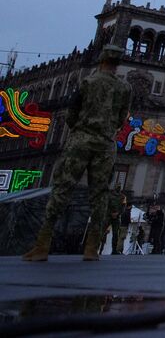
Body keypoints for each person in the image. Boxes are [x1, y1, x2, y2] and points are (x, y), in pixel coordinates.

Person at [23, 44, 132, 262]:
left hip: (81, 139)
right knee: (100, 193)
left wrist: (80, 128)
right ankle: (91, 248)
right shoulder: (125, 88)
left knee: (63, 186)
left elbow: (71, 113)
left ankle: (42, 245)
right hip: (106, 143)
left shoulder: (87, 82)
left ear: (102, 57)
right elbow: (123, 118)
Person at [102, 185, 128, 255]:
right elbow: (105, 205)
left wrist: (117, 213)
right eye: (117, 187)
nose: (118, 188)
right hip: (109, 216)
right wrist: (112, 213)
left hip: (115, 217)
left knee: (115, 234)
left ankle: (114, 250)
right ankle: (98, 248)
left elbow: (123, 207)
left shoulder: (123, 197)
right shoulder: (110, 196)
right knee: (103, 232)